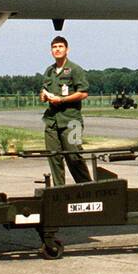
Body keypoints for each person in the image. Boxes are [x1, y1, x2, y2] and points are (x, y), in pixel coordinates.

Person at [40, 35, 92, 186]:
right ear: (51, 51)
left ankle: (87, 188)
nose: (57, 50)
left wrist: (62, 99)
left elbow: (83, 93)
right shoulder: (49, 71)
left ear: (67, 49)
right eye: (54, 47)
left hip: (71, 121)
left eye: (60, 47)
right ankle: (59, 190)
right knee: (54, 157)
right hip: (52, 122)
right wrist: (43, 96)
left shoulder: (75, 69)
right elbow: (44, 89)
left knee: (74, 155)